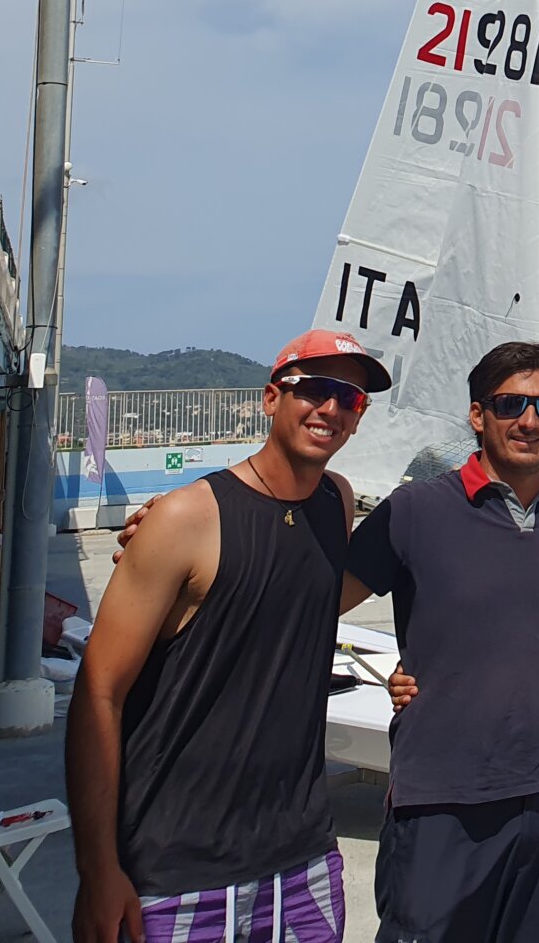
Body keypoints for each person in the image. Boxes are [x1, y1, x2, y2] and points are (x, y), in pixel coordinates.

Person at [68, 329, 389, 943]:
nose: (331, 409)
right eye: (315, 390)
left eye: (349, 400)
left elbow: (299, 597)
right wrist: (98, 869)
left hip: (302, 864)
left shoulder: (336, 503)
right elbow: (98, 694)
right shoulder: (186, 518)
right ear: (271, 398)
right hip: (177, 868)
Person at [345, 339, 539, 943]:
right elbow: (307, 603)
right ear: (477, 414)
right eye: (510, 405)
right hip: (444, 796)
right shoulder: (415, 510)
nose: (529, 421)